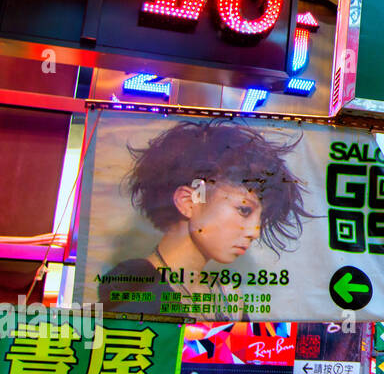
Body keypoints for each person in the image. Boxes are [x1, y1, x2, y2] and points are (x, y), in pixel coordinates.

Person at [96, 121, 310, 316]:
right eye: (244, 210)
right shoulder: (134, 290)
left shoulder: (227, 297)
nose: (255, 232)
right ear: (188, 201)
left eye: (261, 218)